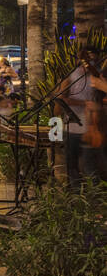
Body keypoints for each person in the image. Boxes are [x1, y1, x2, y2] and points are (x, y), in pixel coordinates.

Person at [57, 48, 105, 188]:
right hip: (73, 126)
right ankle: (76, 196)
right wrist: (83, 103)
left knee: (91, 165)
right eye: (87, 59)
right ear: (79, 60)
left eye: (93, 60)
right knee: (72, 165)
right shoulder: (72, 77)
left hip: (92, 127)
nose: (91, 63)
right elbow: (62, 99)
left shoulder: (97, 76)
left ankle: (93, 198)